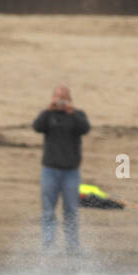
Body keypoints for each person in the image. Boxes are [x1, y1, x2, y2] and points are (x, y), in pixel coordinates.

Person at [32, 84, 90, 255]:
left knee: (71, 210)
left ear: (70, 99)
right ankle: (48, 245)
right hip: (49, 171)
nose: (61, 101)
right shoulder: (48, 115)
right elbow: (36, 127)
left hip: (71, 172)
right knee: (48, 210)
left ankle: (72, 246)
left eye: (64, 97)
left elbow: (85, 129)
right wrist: (48, 110)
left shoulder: (77, 115)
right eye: (58, 97)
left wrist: (71, 112)